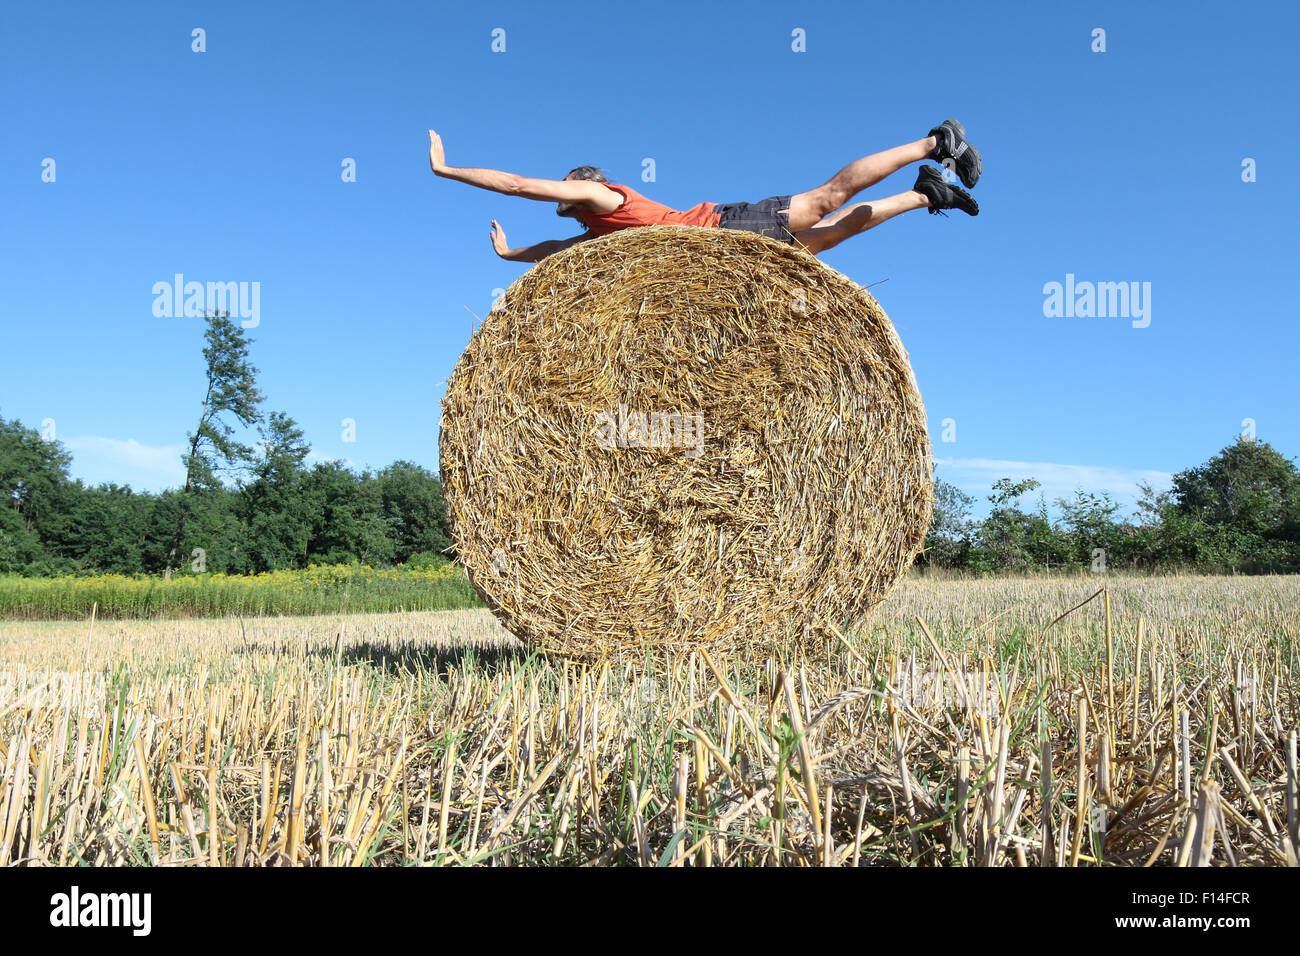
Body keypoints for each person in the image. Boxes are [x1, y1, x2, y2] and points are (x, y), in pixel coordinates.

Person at [427, 120, 980, 262]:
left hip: (721, 233)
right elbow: (555, 254)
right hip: (724, 264)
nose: (556, 196)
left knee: (825, 200)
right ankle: (928, 195)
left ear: (583, 186)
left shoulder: (606, 198)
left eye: (563, 187)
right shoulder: (600, 239)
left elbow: (518, 184)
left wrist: (448, 172)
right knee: (830, 238)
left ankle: (933, 143)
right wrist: (510, 254)